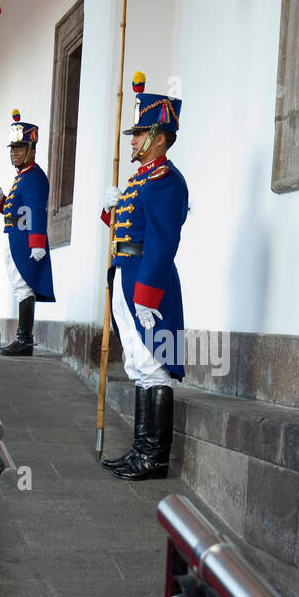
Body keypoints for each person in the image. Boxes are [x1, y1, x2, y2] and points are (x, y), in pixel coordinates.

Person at [99, 72, 188, 481]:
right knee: (138, 362)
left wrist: (148, 294)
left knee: (155, 365)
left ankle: (155, 457)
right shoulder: (140, 180)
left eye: (138, 134)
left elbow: (162, 240)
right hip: (126, 274)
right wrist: (110, 212)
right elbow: (127, 232)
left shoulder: (167, 181)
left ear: (158, 136)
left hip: (147, 284)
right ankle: (140, 449)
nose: (132, 141)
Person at [0, 110, 54, 356]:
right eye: (12, 149)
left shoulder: (35, 177)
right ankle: (22, 338)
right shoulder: (21, 177)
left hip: (26, 240)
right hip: (16, 236)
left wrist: (37, 242)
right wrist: (1, 202)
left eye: (20, 148)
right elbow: (16, 209)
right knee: (20, 287)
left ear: (31, 150)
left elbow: (37, 209)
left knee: (24, 287)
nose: (14, 152)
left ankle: (24, 339)